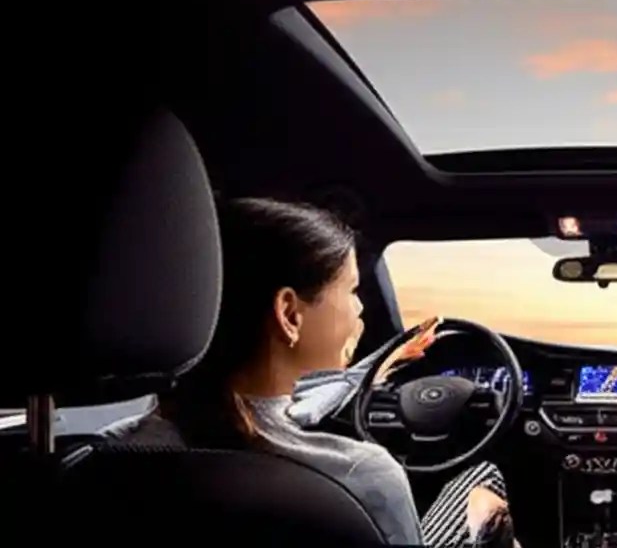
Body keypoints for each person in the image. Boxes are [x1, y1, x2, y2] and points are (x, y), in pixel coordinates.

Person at [107, 197, 518, 547]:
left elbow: (292, 411)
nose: (360, 308)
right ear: (289, 314)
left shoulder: (106, 455)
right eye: (352, 290)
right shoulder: (364, 475)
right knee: (483, 487)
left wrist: (379, 368)